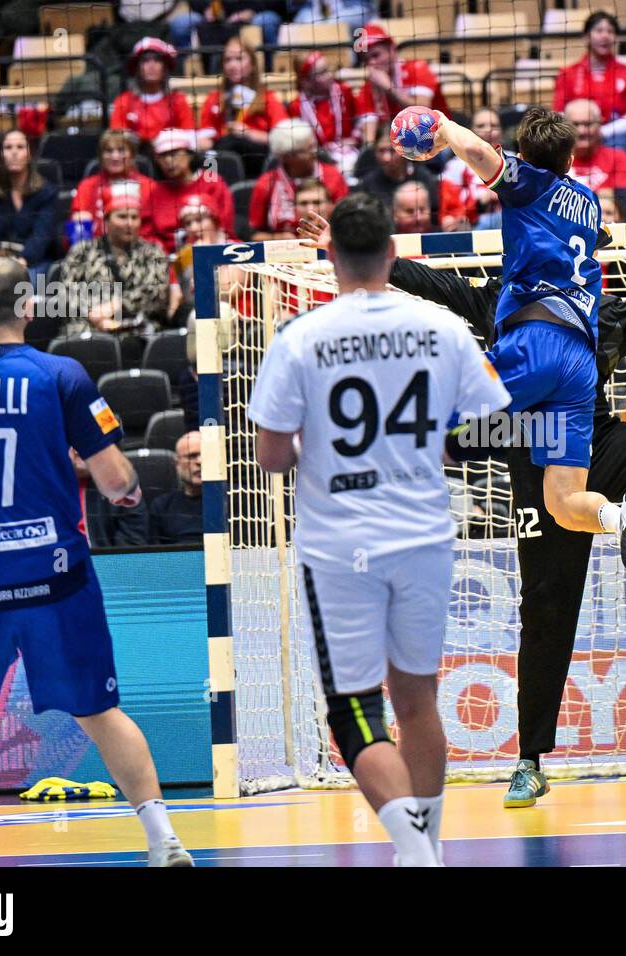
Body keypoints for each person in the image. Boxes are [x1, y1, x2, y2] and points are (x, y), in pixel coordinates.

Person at [292, 216, 626, 809]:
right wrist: (346, 252)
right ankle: (529, 760)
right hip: (534, 458)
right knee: (547, 611)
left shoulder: (608, 312)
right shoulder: (504, 299)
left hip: (601, 448)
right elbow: (432, 283)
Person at [249, 194, 511, 866]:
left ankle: (417, 854)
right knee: (417, 698)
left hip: (340, 543)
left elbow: (271, 457)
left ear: (329, 255)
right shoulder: (442, 329)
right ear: (395, 253)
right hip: (423, 533)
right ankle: (430, 847)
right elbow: (490, 425)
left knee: (354, 710)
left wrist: (327, 450)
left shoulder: (300, 337)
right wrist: (431, 446)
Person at [0, 258, 192, 867]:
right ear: (29, 307)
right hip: (55, 578)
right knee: (98, 709)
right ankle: (163, 841)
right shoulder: (61, 374)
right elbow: (117, 478)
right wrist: (124, 493)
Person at [422, 106, 626, 570]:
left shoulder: (526, 182)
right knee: (564, 502)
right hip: (580, 363)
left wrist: (441, 127)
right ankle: (622, 516)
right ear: (571, 161)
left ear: (522, 157)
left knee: (433, 407)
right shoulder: (590, 200)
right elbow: (596, 235)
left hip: (536, 338)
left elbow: (475, 150)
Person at [59, 182, 170, 337]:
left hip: (139, 327)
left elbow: (156, 293)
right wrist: (96, 315)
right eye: (122, 217)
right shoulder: (81, 252)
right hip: (90, 327)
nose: (130, 223)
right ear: (106, 220)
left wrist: (116, 307)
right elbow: (68, 293)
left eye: (134, 217)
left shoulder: (153, 252)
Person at [0, 129, 57, 276]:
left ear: (29, 154)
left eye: (20, 147)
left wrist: (22, 260)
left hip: (33, 265)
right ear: (1, 155)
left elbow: (41, 238)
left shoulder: (46, 193)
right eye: (8, 147)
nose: (14, 152)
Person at [198, 36, 290, 180]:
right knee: (213, 155)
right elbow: (204, 139)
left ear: (252, 64)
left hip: (256, 159)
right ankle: (212, 189)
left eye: (239, 59)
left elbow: (283, 139)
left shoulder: (267, 98)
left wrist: (248, 133)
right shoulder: (214, 99)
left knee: (237, 143)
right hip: (221, 158)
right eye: (228, 60)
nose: (232, 65)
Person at [553, 11, 626, 151]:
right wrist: (580, 130)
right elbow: (558, 113)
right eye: (599, 30)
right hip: (576, 137)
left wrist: (601, 132)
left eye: (610, 31)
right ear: (586, 37)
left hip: (614, 139)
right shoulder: (567, 73)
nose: (605, 36)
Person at [249, 118, 349, 242]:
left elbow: (347, 223)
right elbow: (253, 234)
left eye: (313, 145)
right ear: (286, 157)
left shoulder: (333, 176)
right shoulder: (266, 183)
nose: (314, 152)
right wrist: (278, 238)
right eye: (306, 149)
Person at [353, 23, 450, 148]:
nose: (372, 63)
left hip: (436, 140)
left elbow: (424, 114)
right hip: (395, 149)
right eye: (366, 60)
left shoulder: (417, 69)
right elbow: (369, 140)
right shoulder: (367, 88)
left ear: (392, 50)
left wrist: (389, 89)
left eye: (376, 55)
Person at [146, 128, 235, 254]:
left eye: (174, 153)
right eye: (163, 156)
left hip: (213, 251)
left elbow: (224, 226)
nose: (168, 161)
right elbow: (148, 234)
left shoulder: (212, 183)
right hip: (167, 259)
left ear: (189, 154)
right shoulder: (155, 192)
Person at [350, 125, 445, 228]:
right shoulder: (368, 184)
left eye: (392, 151)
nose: (386, 158)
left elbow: (435, 218)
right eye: (381, 150)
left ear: (404, 150)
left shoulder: (424, 178)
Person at [110, 38, 197, 149]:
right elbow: (116, 141)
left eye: (157, 60)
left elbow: (189, 138)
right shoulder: (123, 101)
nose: (151, 65)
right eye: (145, 60)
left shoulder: (178, 100)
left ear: (165, 67)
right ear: (137, 67)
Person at [70, 129, 155, 242]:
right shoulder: (87, 186)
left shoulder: (149, 186)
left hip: (139, 252)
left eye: (121, 150)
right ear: (101, 156)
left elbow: (156, 232)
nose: (115, 157)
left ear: (132, 155)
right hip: (96, 253)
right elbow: (73, 239)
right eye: (108, 151)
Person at [564, 99, 626, 218]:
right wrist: (604, 196)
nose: (582, 131)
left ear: (600, 124)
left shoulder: (617, 157)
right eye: (575, 124)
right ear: (565, 127)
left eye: (588, 124)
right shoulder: (557, 159)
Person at [289, 51, 359, 175]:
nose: (329, 75)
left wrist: (354, 139)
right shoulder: (297, 106)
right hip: (318, 162)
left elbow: (360, 124)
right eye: (322, 73)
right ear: (306, 82)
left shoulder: (344, 92)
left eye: (328, 69)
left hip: (350, 154)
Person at [169, 0, 282, 71]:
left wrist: (251, 10)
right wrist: (208, 9)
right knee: (182, 23)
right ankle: (188, 71)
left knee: (267, 19)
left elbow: (276, 3)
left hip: (254, 14)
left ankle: (268, 70)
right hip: (217, 18)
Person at [73, 448, 148, 548]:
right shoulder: (49, 489)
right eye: (71, 441)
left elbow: (129, 554)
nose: (77, 450)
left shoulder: (122, 489)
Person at [441, 108, 502, 230]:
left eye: (494, 125)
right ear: (470, 131)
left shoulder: (514, 160)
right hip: (472, 228)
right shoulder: (455, 167)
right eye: (481, 126)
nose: (488, 130)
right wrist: (479, 203)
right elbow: (448, 218)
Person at [148, 430, 202, 544]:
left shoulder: (233, 499)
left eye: (206, 455)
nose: (200, 461)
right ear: (176, 463)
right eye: (192, 456)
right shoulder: (162, 506)